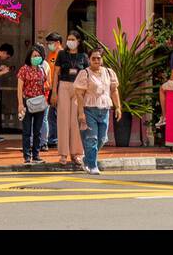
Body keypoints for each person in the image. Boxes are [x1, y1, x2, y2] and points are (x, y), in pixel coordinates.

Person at [74, 47, 121, 175]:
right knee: (92, 139)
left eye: (98, 58)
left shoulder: (109, 72)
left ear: (102, 59)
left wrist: (118, 107)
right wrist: (81, 113)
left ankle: (87, 159)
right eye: (93, 58)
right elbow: (79, 94)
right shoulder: (85, 73)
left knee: (102, 139)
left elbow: (114, 90)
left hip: (104, 110)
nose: (96, 61)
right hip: (89, 109)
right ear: (89, 60)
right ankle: (93, 166)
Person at [53, 30, 89, 165]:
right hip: (63, 86)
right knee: (63, 120)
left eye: (73, 39)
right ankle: (63, 154)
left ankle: (77, 153)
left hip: (78, 89)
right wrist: (54, 92)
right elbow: (56, 73)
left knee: (76, 121)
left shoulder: (84, 56)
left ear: (78, 41)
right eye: (69, 39)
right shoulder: (62, 54)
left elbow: (87, 75)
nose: (70, 41)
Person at [16, 43, 50, 166]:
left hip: (40, 103)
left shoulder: (42, 69)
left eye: (38, 55)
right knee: (27, 131)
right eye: (34, 55)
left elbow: (46, 85)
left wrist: (47, 98)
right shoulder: (24, 69)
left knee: (37, 130)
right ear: (29, 57)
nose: (36, 57)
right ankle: (26, 156)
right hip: (27, 102)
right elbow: (19, 88)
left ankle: (36, 155)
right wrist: (20, 104)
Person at [42, 31, 63, 150]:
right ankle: (53, 138)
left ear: (58, 43)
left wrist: (55, 89)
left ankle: (56, 138)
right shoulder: (51, 55)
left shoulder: (62, 54)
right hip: (50, 88)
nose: (48, 45)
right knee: (52, 115)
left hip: (58, 87)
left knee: (56, 114)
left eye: (50, 43)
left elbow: (59, 73)